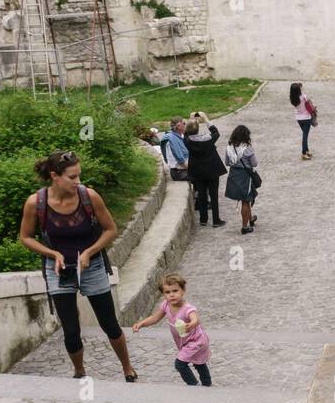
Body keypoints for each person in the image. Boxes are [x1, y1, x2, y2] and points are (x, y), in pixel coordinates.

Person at [18, 149, 138, 381]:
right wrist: (52, 253)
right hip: (59, 271)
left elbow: (111, 230)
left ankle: (127, 368)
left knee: (109, 324)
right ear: (55, 176)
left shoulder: (89, 197)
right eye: (72, 177)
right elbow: (26, 237)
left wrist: (90, 252)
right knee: (71, 330)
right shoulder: (36, 203)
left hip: (91, 266)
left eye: (79, 176)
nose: (78, 181)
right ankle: (79, 372)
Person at [133, 273, 212, 387]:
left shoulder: (187, 308)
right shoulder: (166, 305)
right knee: (198, 363)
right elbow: (155, 318)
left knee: (180, 364)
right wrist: (141, 323)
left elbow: (195, 319)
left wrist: (192, 324)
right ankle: (207, 385)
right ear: (163, 294)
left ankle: (194, 386)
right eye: (167, 292)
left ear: (183, 290)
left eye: (175, 291)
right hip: (185, 342)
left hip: (197, 341)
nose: (172, 295)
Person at [184, 113, 226, 226]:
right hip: (212, 170)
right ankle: (216, 220)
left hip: (198, 171)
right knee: (213, 195)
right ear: (198, 130)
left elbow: (186, 133)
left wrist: (191, 119)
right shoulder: (208, 140)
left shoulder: (188, 141)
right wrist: (206, 119)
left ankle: (203, 220)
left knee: (201, 195)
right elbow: (215, 132)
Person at [225, 124, 259, 235]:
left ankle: (250, 219)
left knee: (247, 198)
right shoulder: (247, 148)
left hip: (234, 174)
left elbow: (227, 162)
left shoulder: (229, 147)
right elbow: (254, 163)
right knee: (245, 200)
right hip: (245, 175)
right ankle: (244, 227)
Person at [290, 82, 316, 159]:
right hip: (306, 118)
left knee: (305, 135)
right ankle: (303, 153)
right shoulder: (303, 97)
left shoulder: (292, 98)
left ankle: (307, 151)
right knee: (305, 136)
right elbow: (309, 103)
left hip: (298, 118)